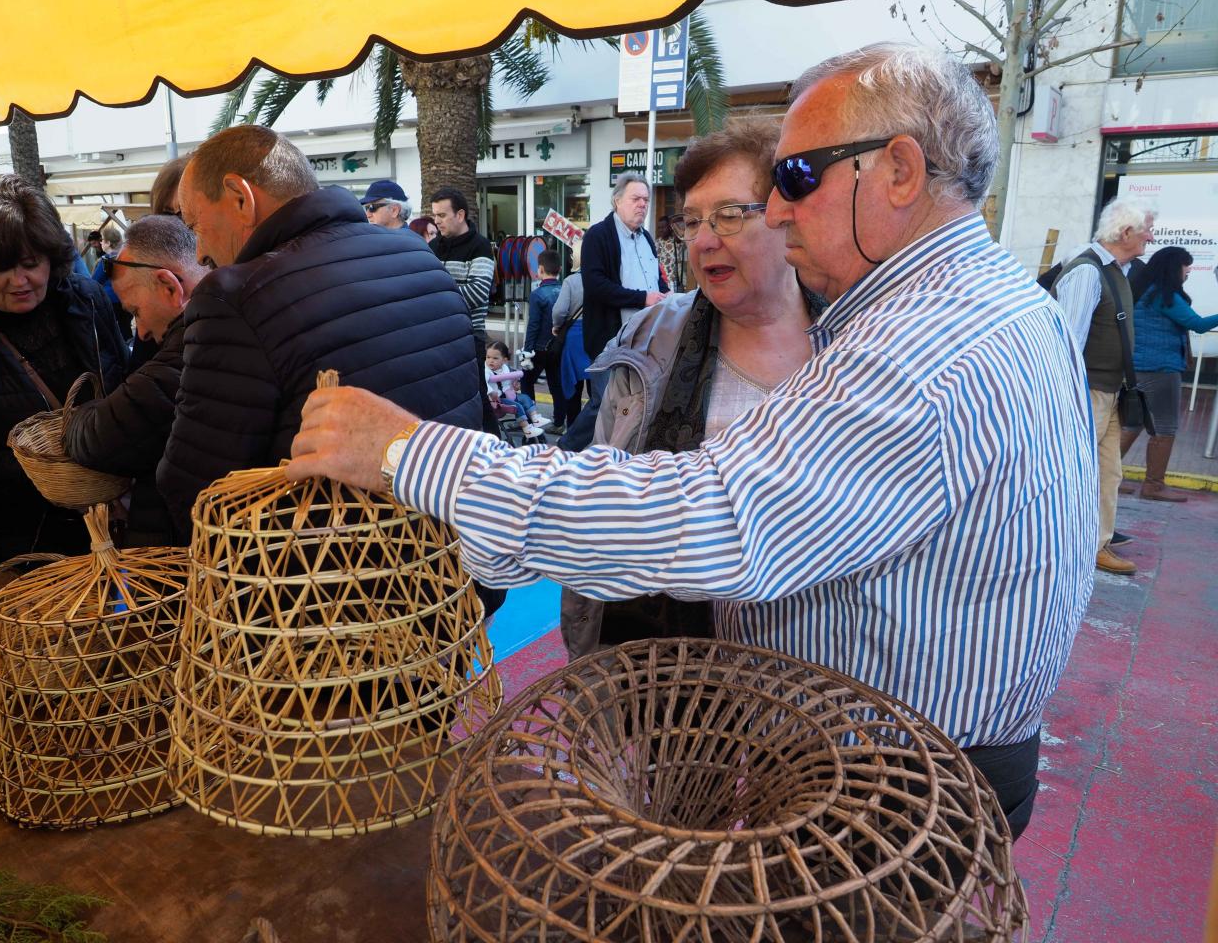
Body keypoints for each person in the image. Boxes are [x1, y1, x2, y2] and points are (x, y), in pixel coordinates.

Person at [285, 43, 1099, 840]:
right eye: (702, 217)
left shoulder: (924, 345)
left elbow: (715, 513)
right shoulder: (986, 301)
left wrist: (409, 454)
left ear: (898, 170)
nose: (777, 213)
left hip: (889, 800)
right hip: (889, 764)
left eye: (795, 179)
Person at [561, 120, 815, 659]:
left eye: (728, 215)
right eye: (692, 220)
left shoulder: (851, 343)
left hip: (809, 673)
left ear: (784, 215)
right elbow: (596, 484)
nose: (703, 240)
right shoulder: (652, 336)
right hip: (662, 671)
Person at [157, 124, 480, 538]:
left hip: (326, 586)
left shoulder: (233, 296)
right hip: (448, 567)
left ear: (241, 198)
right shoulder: (417, 254)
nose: (199, 251)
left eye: (196, 225)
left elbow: (199, 487)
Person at [0, 175, 128, 561]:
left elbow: (124, 385)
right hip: (2, 539)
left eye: (30, 264)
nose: (20, 281)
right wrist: (51, 471)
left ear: (51, 256)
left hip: (101, 527)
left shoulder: (85, 299)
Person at [62, 215, 209, 546]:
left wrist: (80, 416)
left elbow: (98, 436)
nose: (140, 332)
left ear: (170, 286)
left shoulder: (192, 349)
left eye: (137, 312)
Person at [1053, 198, 1155, 576]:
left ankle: (1096, 544)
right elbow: (1069, 342)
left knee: (1108, 473)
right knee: (1069, 471)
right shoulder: (1087, 271)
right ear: (1125, 232)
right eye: (1146, 228)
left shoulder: (1117, 271)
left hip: (1108, 392)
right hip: (1087, 392)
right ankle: (1057, 541)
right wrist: (1068, 400)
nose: (1151, 236)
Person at [1121, 246, 1218, 501]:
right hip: (1161, 368)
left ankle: (1104, 477)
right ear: (1174, 267)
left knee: (1134, 423)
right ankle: (1154, 485)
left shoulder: (1143, 290)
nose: (1188, 271)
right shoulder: (1164, 295)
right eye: (1186, 266)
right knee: (1165, 427)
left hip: (1139, 367)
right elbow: (1197, 324)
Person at [581, 172, 669, 374]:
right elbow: (596, 286)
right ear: (617, 201)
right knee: (607, 403)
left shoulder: (646, 237)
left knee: (639, 404)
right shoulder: (598, 235)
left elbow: (655, 279)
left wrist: (666, 294)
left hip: (647, 342)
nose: (642, 204)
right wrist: (642, 298)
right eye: (635, 199)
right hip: (613, 345)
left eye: (646, 200)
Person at [429, 186, 500, 435]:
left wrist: (437, 295)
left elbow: (478, 293)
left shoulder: (480, 246)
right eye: (434, 216)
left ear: (460, 215)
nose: (437, 221)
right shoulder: (433, 246)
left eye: (442, 215)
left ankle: (495, 448)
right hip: (438, 338)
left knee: (476, 397)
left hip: (470, 338)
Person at [549, 241, 589, 436]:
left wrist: (557, 326)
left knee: (573, 388)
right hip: (597, 336)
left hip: (574, 338)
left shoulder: (571, 282)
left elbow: (559, 311)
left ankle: (573, 432)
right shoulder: (605, 279)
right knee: (597, 390)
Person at [520, 250, 562, 405]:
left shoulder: (537, 294)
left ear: (541, 270)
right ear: (560, 270)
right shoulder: (565, 289)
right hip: (558, 345)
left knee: (526, 381)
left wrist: (527, 350)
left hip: (539, 347)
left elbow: (534, 325)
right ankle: (559, 421)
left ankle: (530, 418)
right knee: (556, 382)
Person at [485, 341, 547, 438]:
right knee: (517, 406)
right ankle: (527, 430)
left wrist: (515, 384)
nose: (490, 361)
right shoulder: (486, 371)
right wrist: (491, 392)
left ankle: (536, 418)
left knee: (525, 398)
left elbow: (512, 380)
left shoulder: (506, 368)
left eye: (495, 358)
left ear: (504, 360)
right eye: (488, 357)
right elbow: (483, 383)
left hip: (509, 395)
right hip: (497, 400)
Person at [91, 224, 132, 341]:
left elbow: (95, 281)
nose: (101, 243)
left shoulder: (106, 260)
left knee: (110, 330)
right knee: (125, 328)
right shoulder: (126, 257)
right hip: (127, 297)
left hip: (111, 300)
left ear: (108, 243)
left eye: (102, 240)